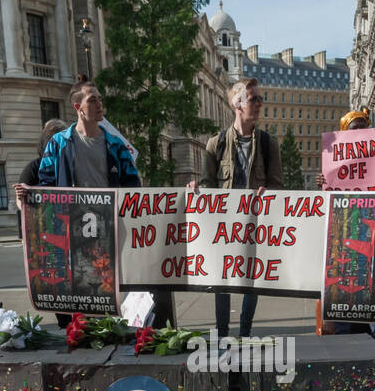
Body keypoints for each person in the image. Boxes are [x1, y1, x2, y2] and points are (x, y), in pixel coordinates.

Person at [37, 82, 173, 326]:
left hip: (112, 232)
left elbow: (133, 187)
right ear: (78, 107)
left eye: (100, 98)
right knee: (81, 289)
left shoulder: (116, 145)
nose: (99, 104)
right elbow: (44, 186)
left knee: (112, 288)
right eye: (92, 100)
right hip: (73, 235)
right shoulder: (58, 144)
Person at [187, 78, 281, 338]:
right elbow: (207, 186)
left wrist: (269, 193)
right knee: (222, 283)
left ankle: (246, 333)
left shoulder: (267, 143)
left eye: (260, 98)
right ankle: (221, 335)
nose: (260, 103)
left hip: (254, 227)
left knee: (251, 282)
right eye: (254, 99)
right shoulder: (214, 144)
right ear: (237, 104)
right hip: (224, 229)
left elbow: (277, 185)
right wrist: (196, 190)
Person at [316, 108, 375, 350]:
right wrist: (323, 186)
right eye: (354, 127)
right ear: (344, 132)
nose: (360, 131)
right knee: (342, 276)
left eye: (363, 126)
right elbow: (327, 202)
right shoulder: (334, 162)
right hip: (346, 225)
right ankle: (342, 332)